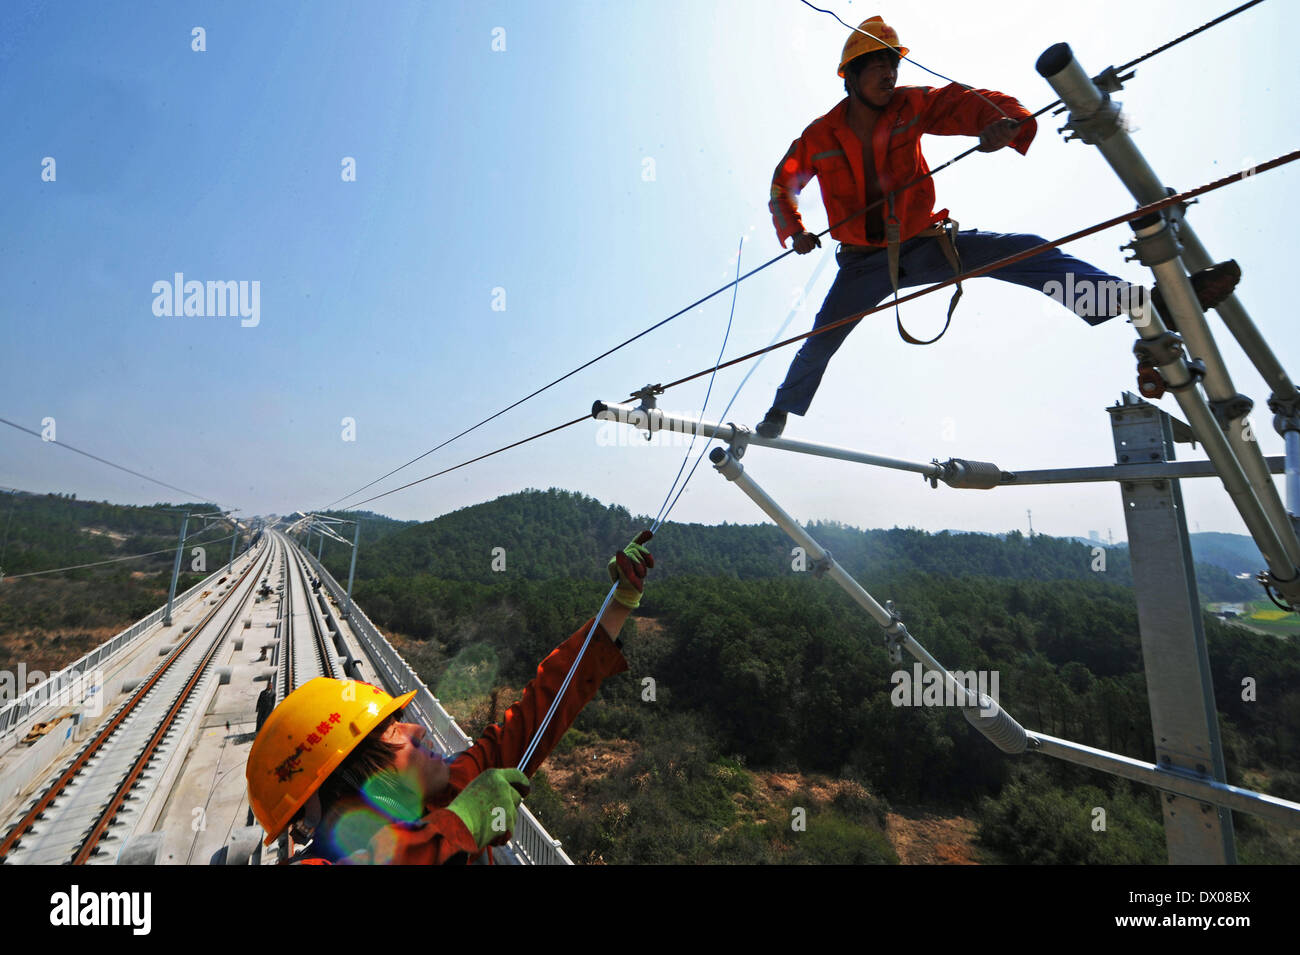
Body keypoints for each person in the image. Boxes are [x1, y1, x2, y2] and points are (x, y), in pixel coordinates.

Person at [757, 15, 1239, 439]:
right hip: (861, 265)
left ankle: (1135, 304)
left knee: (1026, 250)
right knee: (822, 339)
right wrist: (795, 231)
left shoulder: (911, 104)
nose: (890, 74)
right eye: (878, 66)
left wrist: (1005, 124)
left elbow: (967, 103)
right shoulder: (819, 134)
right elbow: (783, 186)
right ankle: (782, 408)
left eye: (893, 65)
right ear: (852, 75)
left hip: (923, 246)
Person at [245, 531, 655, 864]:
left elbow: (541, 710)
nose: (418, 730)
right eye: (389, 729)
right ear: (351, 779)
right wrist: (456, 828)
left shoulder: (453, 791)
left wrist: (618, 604)